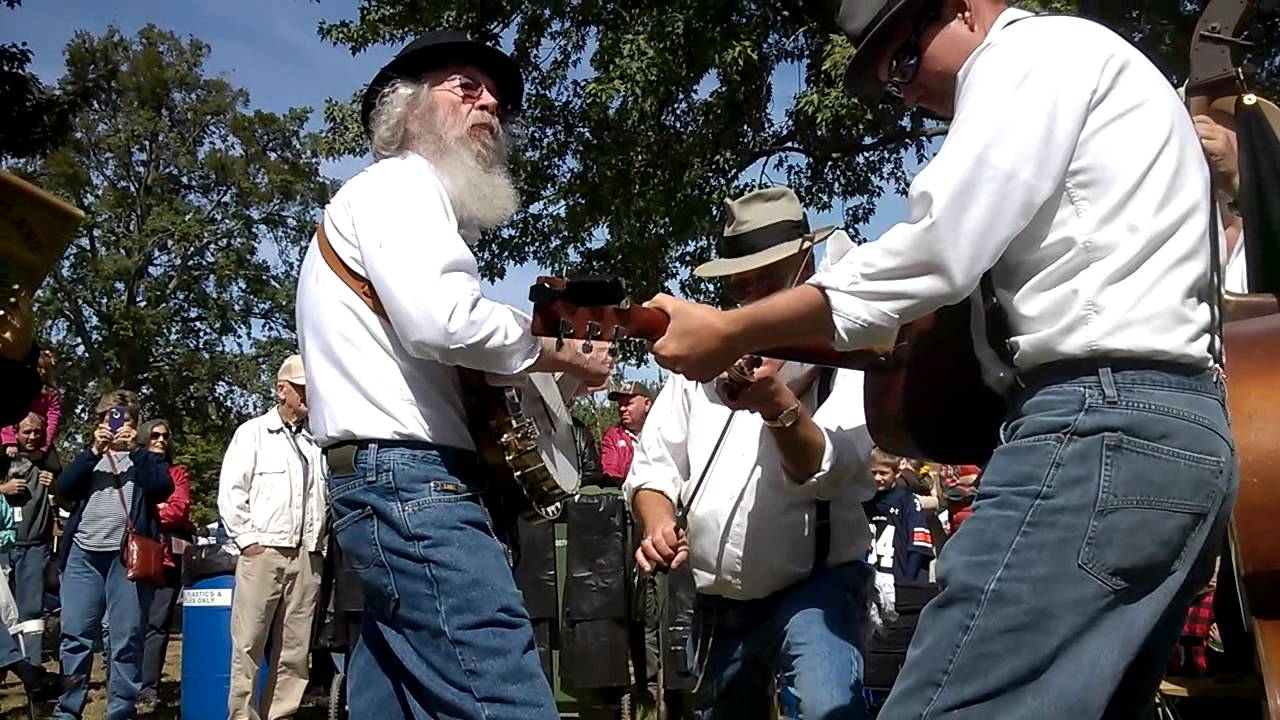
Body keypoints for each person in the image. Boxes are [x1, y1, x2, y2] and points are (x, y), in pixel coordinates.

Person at [643, 2, 1236, 718]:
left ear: (962, 6)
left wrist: (732, 330)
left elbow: (935, 251)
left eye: (903, 60)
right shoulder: (1112, 71)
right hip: (1185, 431)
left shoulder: (1029, 54)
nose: (906, 91)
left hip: (1097, 424)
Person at [294, 30, 611, 720]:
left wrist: (554, 378)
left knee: (392, 707)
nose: (490, 101)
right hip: (412, 485)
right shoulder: (404, 185)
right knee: (507, 697)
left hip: (393, 482)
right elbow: (442, 321)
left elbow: (436, 354)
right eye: (465, 86)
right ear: (406, 110)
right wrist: (549, 351)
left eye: (494, 93)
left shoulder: (389, 203)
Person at [626, 187, 876, 720]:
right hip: (720, 603)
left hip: (817, 589)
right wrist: (657, 523)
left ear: (804, 265)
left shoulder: (848, 355)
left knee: (827, 707)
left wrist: (778, 404)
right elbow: (654, 469)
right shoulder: (705, 357)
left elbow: (836, 472)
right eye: (743, 286)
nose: (754, 296)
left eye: (768, 279)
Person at [217, 355, 327, 720]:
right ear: (282, 390)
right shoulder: (253, 433)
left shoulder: (319, 439)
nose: (308, 393)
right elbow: (232, 491)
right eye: (301, 387)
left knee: (295, 650)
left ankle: (281, 715)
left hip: (308, 553)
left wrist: (319, 546)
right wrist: (248, 540)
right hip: (264, 551)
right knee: (248, 644)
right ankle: (242, 716)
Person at [53, 389, 172, 720]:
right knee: (74, 636)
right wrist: (94, 450)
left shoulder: (147, 459)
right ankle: (67, 711)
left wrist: (134, 450)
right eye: (110, 417)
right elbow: (64, 488)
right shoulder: (90, 457)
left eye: (124, 419)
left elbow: (162, 487)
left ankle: (120, 712)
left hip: (126, 561)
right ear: (100, 421)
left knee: (125, 641)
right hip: (83, 556)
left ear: (135, 424)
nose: (116, 424)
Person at [136, 418, 192, 706]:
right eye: (154, 435)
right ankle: (122, 684)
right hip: (132, 556)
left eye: (165, 436)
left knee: (157, 625)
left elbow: (179, 511)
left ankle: (149, 689)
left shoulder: (177, 474)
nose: (160, 440)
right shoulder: (133, 469)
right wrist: (156, 507)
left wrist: (151, 511)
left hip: (168, 559)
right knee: (127, 625)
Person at [3, 411, 61, 664]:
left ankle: (33, 669)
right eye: (27, 431)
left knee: (31, 612)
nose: (33, 436)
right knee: (4, 612)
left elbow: (68, 495)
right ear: (15, 431)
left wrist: (56, 485)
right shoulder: (3, 455)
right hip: (4, 545)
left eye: (37, 431)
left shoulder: (49, 459)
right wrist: (2, 489)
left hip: (36, 545)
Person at [865, 449, 934, 584]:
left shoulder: (907, 500)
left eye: (883, 473)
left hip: (899, 575)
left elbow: (919, 546)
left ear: (897, 473)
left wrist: (907, 580)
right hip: (871, 577)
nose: (877, 478)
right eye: (873, 473)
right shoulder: (865, 500)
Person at [3, 349, 61, 457]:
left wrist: (44, 446)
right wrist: (10, 441)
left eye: (46, 369)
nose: (43, 372)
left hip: (37, 437)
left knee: (54, 466)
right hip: (11, 433)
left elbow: (53, 421)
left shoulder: (51, 394)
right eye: (39, 368)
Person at [600, 382, 652, 484]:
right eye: (620, 404)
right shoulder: (613, 437)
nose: (622, 409)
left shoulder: (663, 432)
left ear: (647, 404)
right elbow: (611, 473)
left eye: (628, 404)